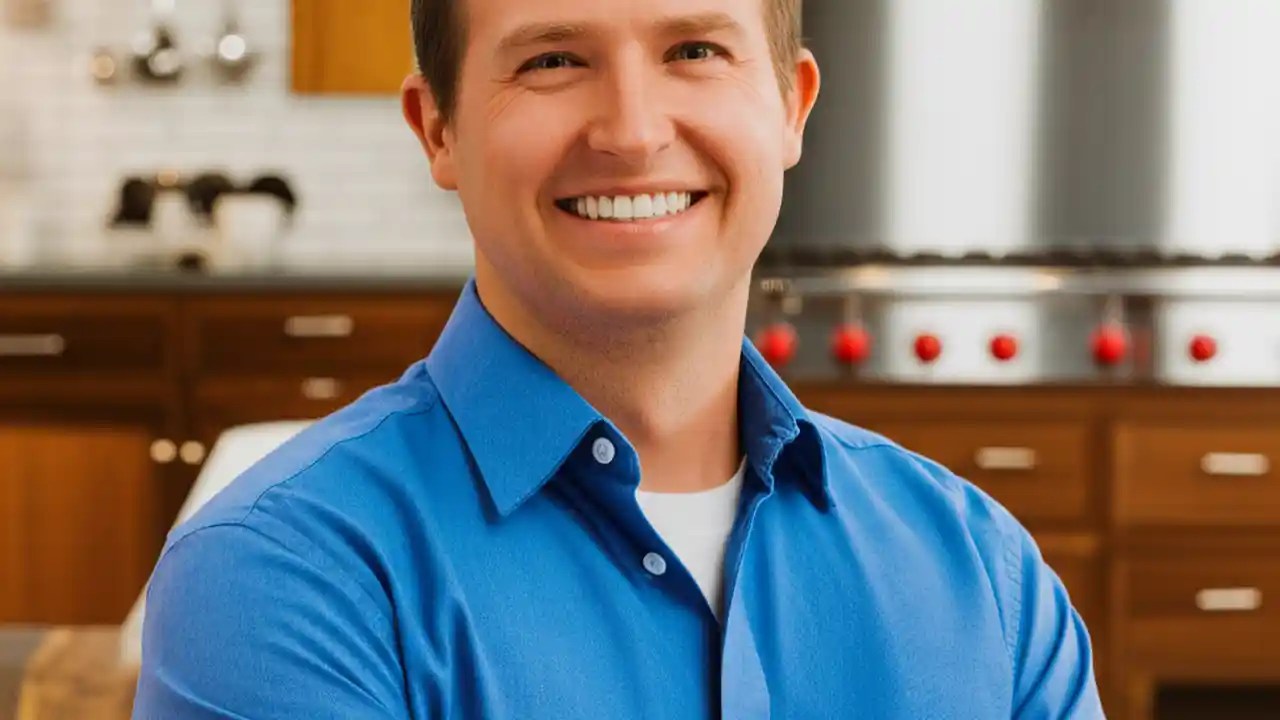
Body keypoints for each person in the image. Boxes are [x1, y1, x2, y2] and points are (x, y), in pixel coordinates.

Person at [132, 0, 1104, 716]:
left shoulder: (985, 575)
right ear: (438, 129)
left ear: (789, 108)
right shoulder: (281, 581)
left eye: (693, 50)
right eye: (553, 60)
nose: (633, 133)